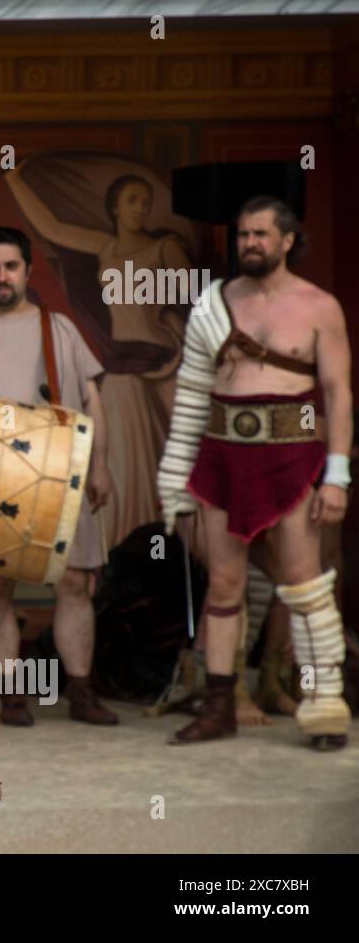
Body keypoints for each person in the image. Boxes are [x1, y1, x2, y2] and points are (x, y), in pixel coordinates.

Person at [158, 196, 352, 750]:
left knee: (305, 585)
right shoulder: (214, 305)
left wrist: (336, 475)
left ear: (288, 240)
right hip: (222, 458)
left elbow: (338, 395)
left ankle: (325, 707)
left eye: (261, 235)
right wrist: (175, 476)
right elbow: (194, 392)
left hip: (292, 458)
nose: (250, 244)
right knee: (224, 585)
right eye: (243, 235)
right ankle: (220, 706)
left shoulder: (320, 307)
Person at [0, 226, 120, 728]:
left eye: (11, 267)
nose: (2, 276)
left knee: (75, 582)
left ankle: (81, 690)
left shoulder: (60, 330)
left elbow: (92, 400)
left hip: (60, 476)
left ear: (28, 272)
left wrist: (98, 466)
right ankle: (11, 696)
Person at [7, 160, 195, 549]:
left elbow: (195, 306)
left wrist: (175, 329)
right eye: (132, 200)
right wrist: (13, 179)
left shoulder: (167, 247)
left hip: (166, 363)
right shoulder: (106, 247)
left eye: (145, 201)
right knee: (122, 468)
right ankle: (127, 558)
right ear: (115, 208)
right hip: (122, 366)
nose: (140, 207)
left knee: (178, 457)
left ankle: (181, 556)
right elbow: (52, 229)